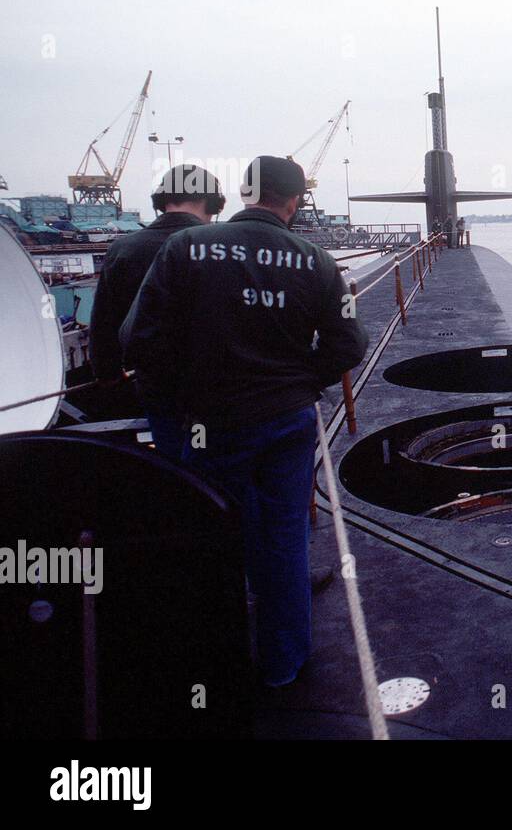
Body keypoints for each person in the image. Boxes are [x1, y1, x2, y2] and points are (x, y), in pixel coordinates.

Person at [121, 155, 368, 687]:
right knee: (284, 541)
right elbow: (350, 342)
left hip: (210, 423)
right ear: (295, 202)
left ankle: (215, 666)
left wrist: (182, 394)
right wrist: (302, 381)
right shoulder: (319, 262)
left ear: (243, 192)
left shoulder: (182, 248)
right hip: (288, 420)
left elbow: (136, 339)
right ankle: (283, 665)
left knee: (211, 536)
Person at [90, 164, 225, 454]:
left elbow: (104, 324)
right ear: (211, 202)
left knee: (175, 463)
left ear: (161, 200)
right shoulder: (224, 246)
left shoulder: (123, 249)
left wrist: (108, 373)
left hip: (156, 385)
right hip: (220, 385)